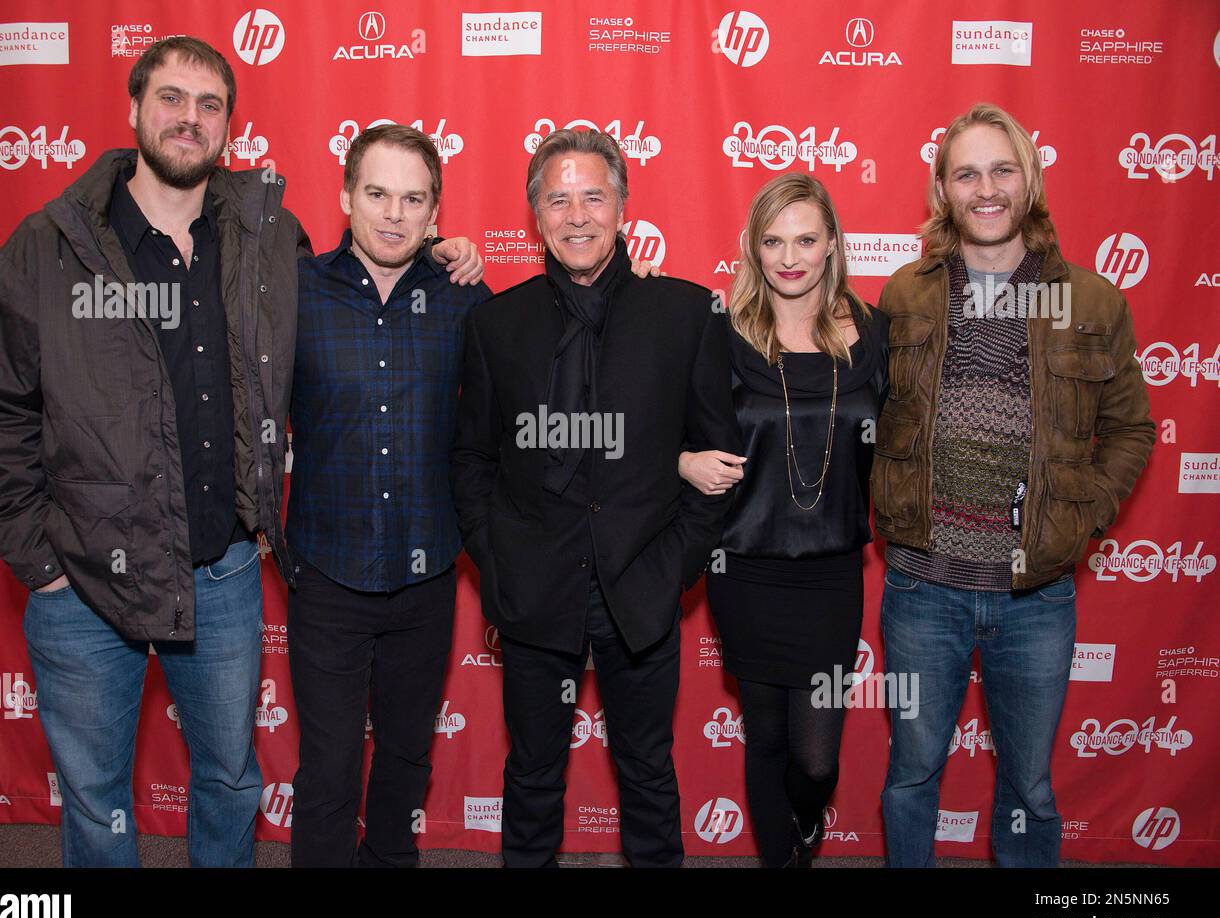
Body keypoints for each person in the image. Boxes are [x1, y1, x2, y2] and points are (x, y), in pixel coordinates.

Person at [0, 37, 478, 867]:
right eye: (171, 98)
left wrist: (450, 257)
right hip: (88, 576)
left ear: (230, 124)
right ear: (134, 110)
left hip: (224, 569)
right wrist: (38, 556)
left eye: (209, 105)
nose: (188, 119)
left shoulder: (266, 238)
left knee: (231, 778)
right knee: (95, 798)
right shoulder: (46, 246)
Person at [873, 103, 1154, 867]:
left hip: (1036, 595)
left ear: (1030, 179)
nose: (986, 188)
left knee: (1029, 786)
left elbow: (1131, 428)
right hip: (922, 587)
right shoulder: (906, 295)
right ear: (943, 188)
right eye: (967, 172)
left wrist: (1084, 513)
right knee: (911, 776)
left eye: (1002, 169)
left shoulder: (1090, 301)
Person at [452, 129, 740, 867]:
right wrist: (497, 554)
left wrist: (674, 564)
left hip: (639, 589)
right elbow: (473, 457)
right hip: (534, 588)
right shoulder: (495, 324)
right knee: (534, 774)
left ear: (622, 205)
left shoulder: (685, 315)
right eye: (558, 198)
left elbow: (718, 456)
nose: (577, 216)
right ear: (535, 215)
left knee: (647, 772)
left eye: (593, 196)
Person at [285, 124, 488, 867]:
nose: (394, 214)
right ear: (345, 196)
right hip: (327, 574)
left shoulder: (465, 297)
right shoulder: (295, 290)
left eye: (413, 198)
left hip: (426, 575)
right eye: (377, 193)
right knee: (330, 768)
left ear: (436, 212)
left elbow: (500, 427)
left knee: (405, 761)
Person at [681, 173, 889, 867]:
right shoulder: (718, 331)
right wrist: (684, 462)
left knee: (815, 758)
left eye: (805, 238)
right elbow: (658, 419)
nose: (789, 256)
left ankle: (803, 828)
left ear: (831, 243)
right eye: (773, 240)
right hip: (744, 566)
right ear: (753, 247)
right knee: (765, 735)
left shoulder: (874, 332)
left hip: (831, 572)